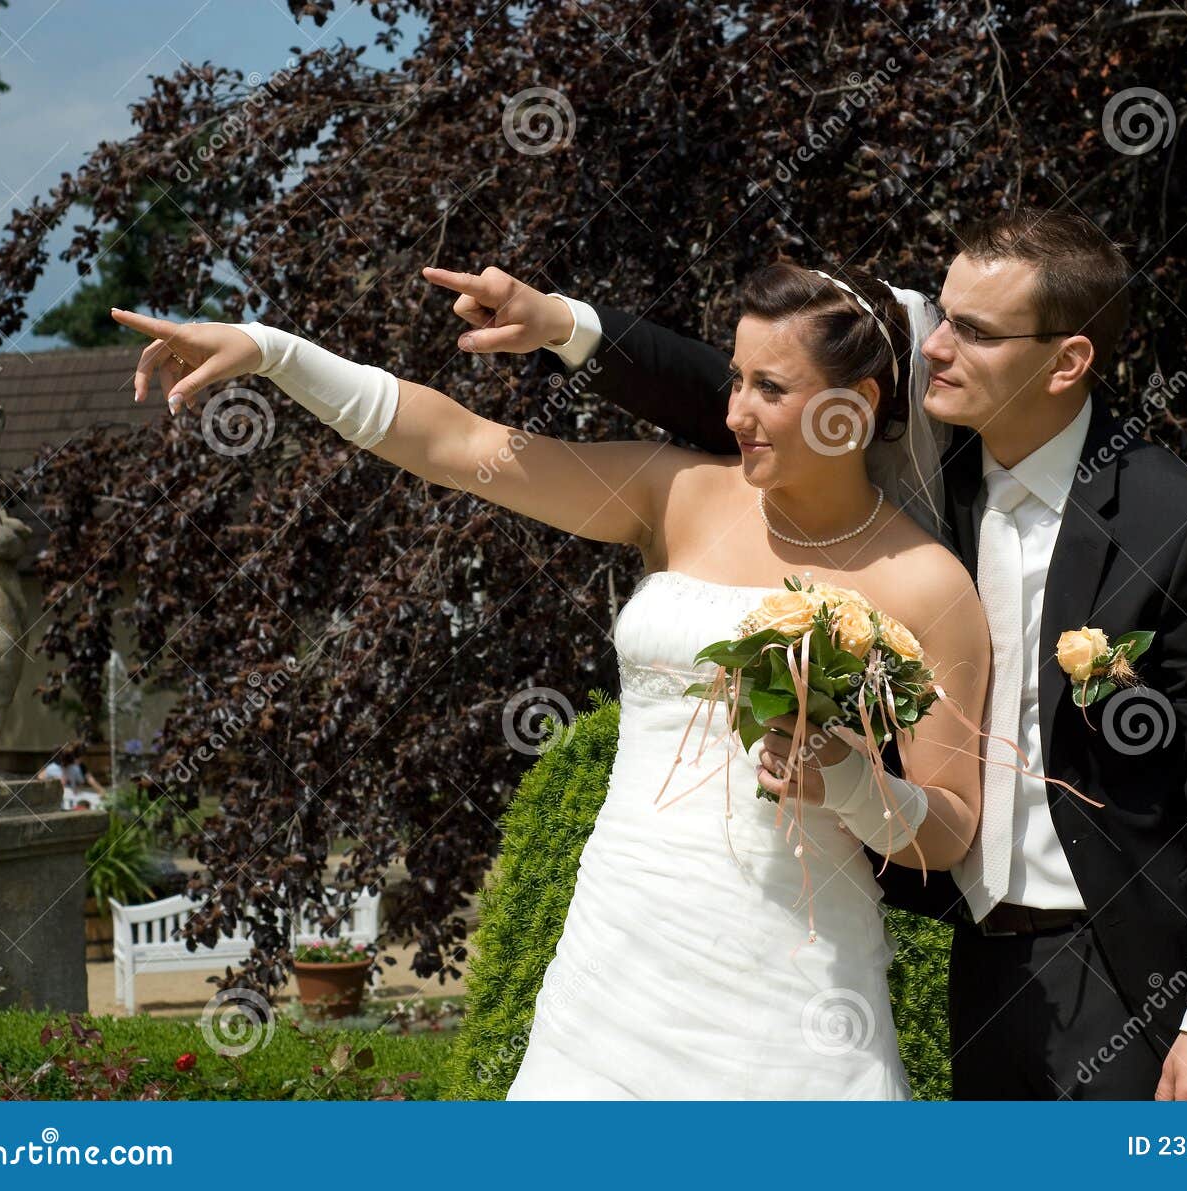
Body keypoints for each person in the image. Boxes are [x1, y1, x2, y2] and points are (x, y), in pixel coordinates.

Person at [426, 204, 1187, 1101]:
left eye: (974, 331)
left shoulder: (1180, 524)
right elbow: (746, 393)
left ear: (1067, 361)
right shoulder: (924, 463)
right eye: (943, 317)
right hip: (986, 962)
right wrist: (560, 324)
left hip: (1126, 963)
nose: (936, 347)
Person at [108, 262, 990, 1100]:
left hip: (795, 989)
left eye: (770, 388)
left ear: (855, 405)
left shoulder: (926, 585)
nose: (734, 413)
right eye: (734, 379)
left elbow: (949, 828)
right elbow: (459, 444)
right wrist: (272, 350)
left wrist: (848, 779)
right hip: (616, 954)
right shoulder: (677, 492)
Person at [39, 755, 106, 811]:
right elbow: (40, 777)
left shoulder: (75, 768)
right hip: (63, 796)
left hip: (71, 795)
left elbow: (81, 783)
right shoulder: (53, 768)